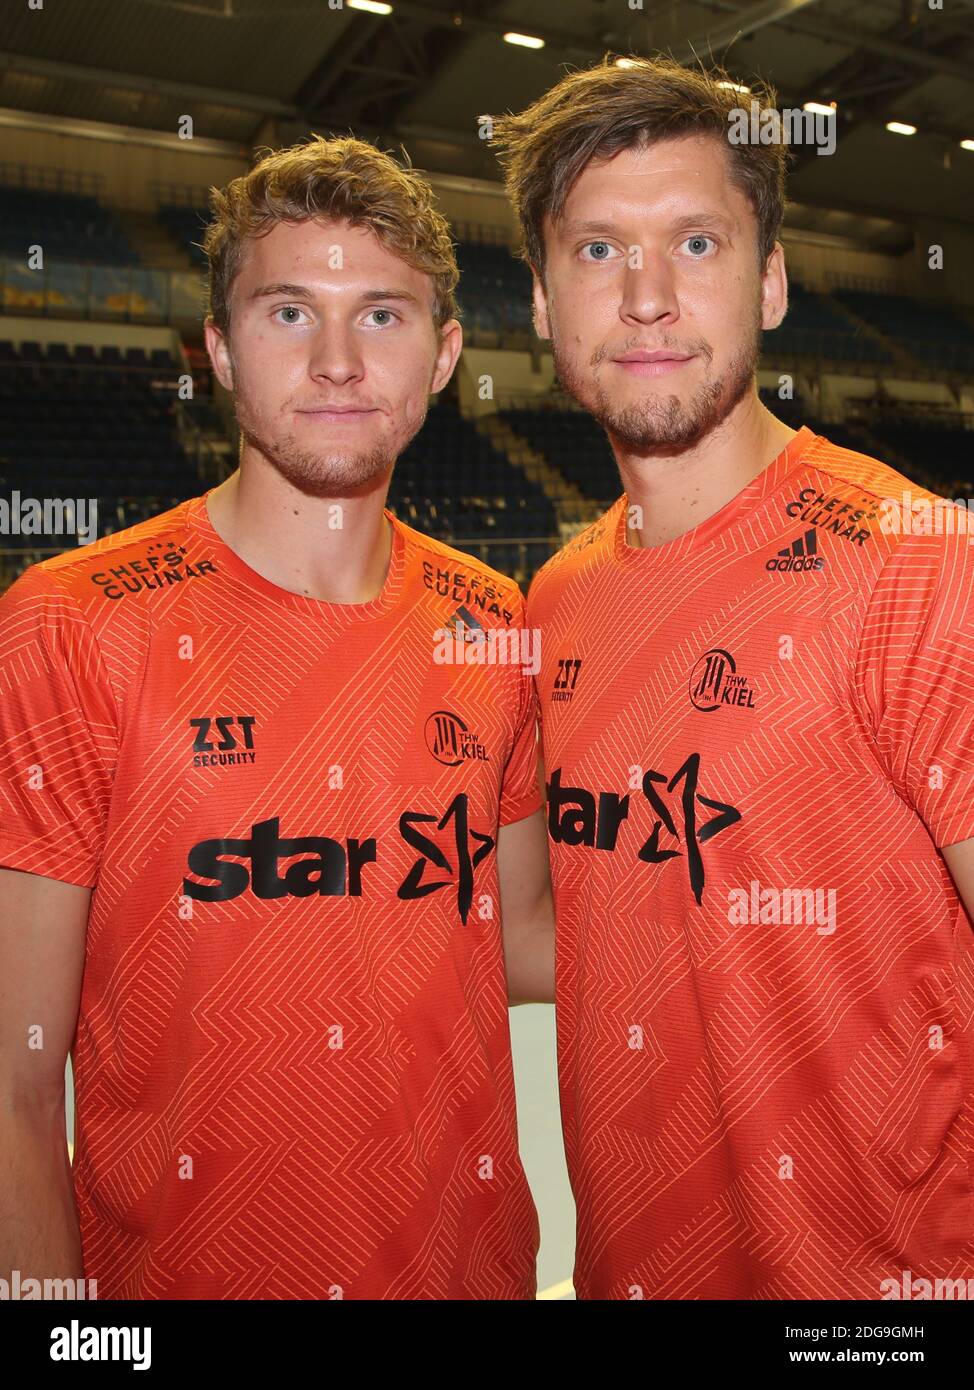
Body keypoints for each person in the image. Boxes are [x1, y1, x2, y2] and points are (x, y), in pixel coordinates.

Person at [0, 135, 554, 1300]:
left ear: (447, 354)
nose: (341, 362)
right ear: (216, 348)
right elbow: (12, 1076)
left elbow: (511, 935)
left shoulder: (493, 618)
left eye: (385, 318)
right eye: (289, 313)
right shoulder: (72, 624)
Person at [491, 56, 974, 1300]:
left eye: (693, 241)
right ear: (540, 301)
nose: (645, 296)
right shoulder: (552, 601)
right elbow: (557, 927)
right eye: (594, 252)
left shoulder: (913, 563)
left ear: (767, 280)